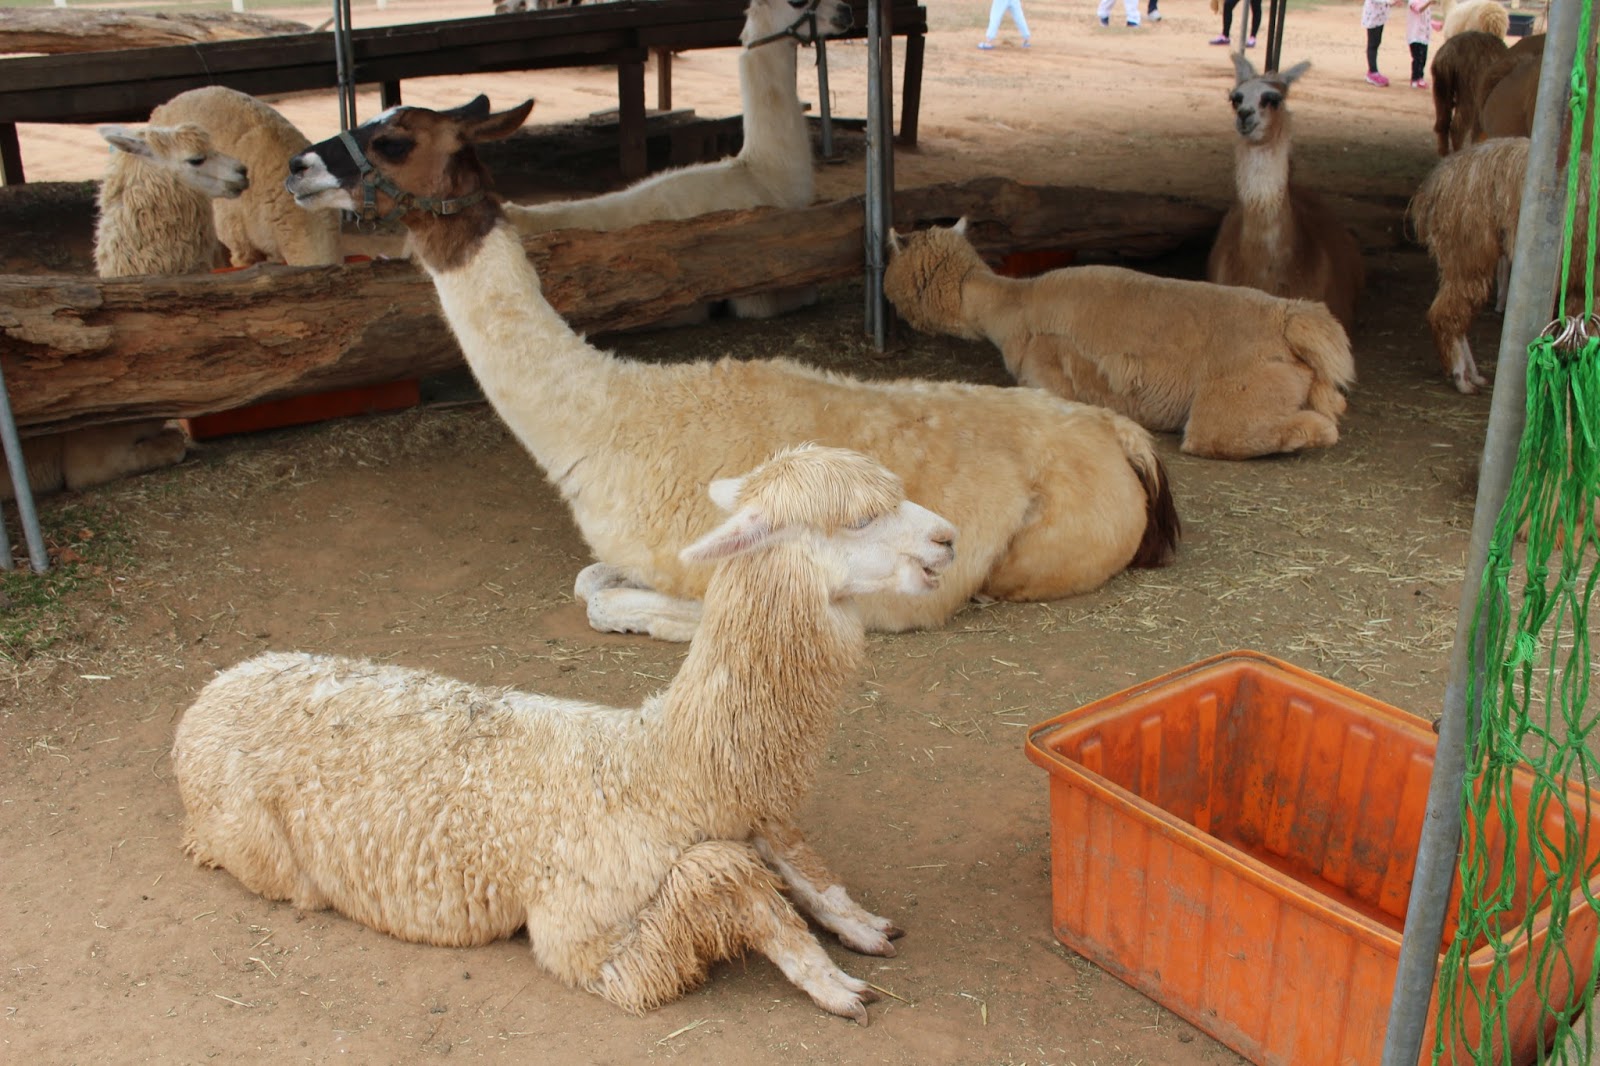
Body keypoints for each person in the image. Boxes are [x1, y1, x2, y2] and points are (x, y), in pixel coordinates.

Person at [1362, 0, 1401, 87]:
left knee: (1376, 42)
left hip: (1380, 16)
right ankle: (1373, 71)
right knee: (1372, 44)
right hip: (1373, 16)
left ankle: (1373, 70)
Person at [1406, 0, 1434, 88]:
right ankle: (1415, 79)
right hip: (1415, 36)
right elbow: (1418, 9)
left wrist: (1435, 25)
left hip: (1424, 36)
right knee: (1417, 58)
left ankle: (1420, 77)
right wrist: (1429, 3)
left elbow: (1426, 19)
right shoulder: (1412, 1)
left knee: (1423, 58)